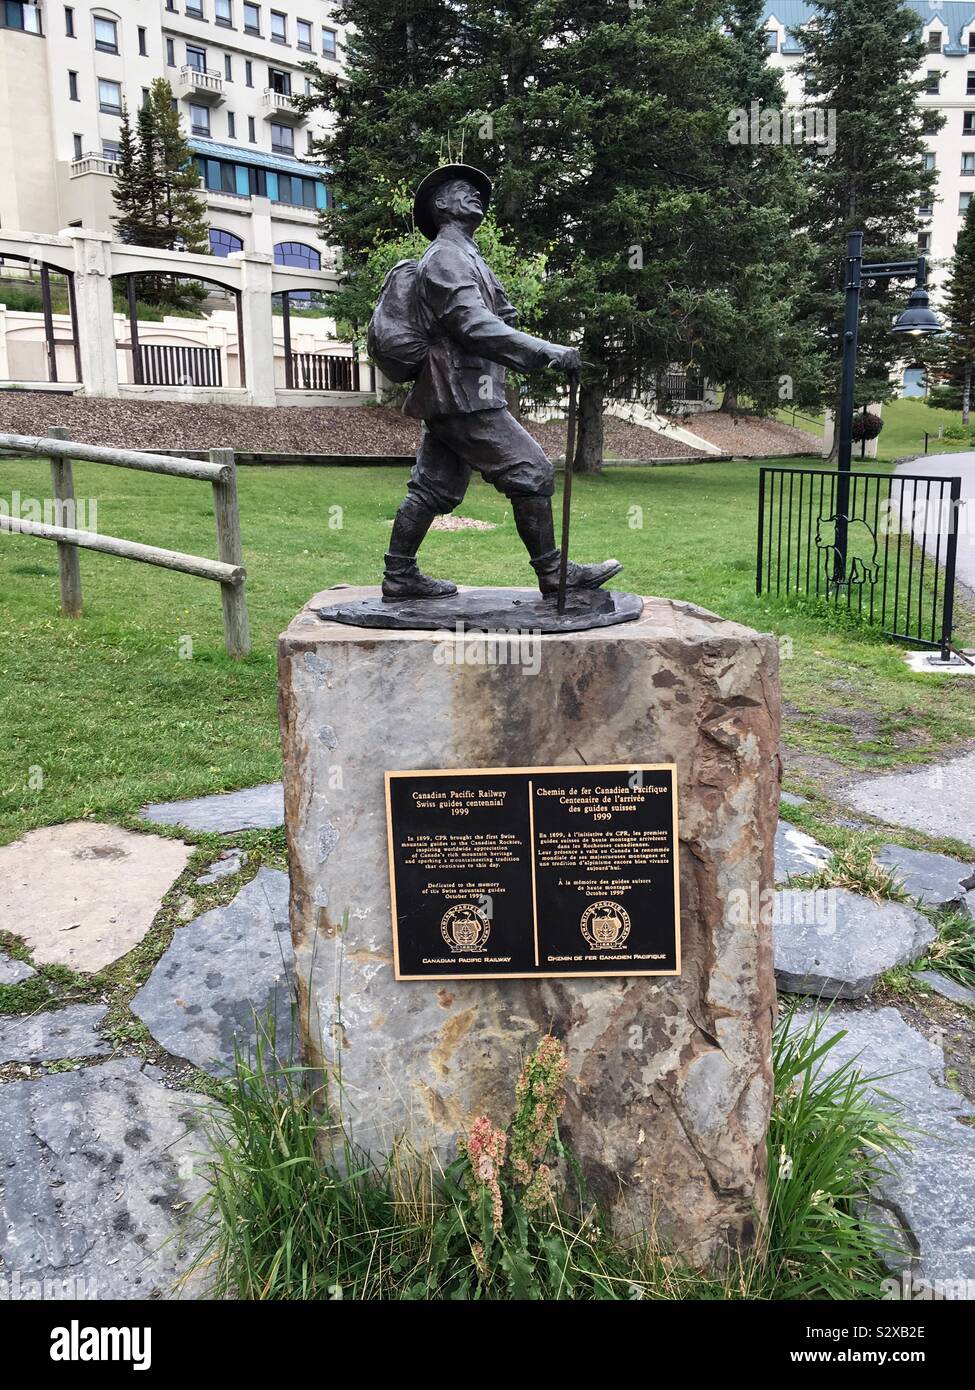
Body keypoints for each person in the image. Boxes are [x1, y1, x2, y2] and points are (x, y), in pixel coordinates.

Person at [383, 163, 622, 601]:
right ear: (440, 205)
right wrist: (545, 351)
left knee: (433, 487)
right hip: (460, 391)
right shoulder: (446, 256)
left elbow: (495, 316)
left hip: (458, 391)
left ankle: (400, 575)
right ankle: (554, 575)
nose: (476, 195)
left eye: (479, 192)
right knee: (531, 470)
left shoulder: (469, 256)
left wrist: (508, 319)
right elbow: (471, 325)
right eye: (462, 190)